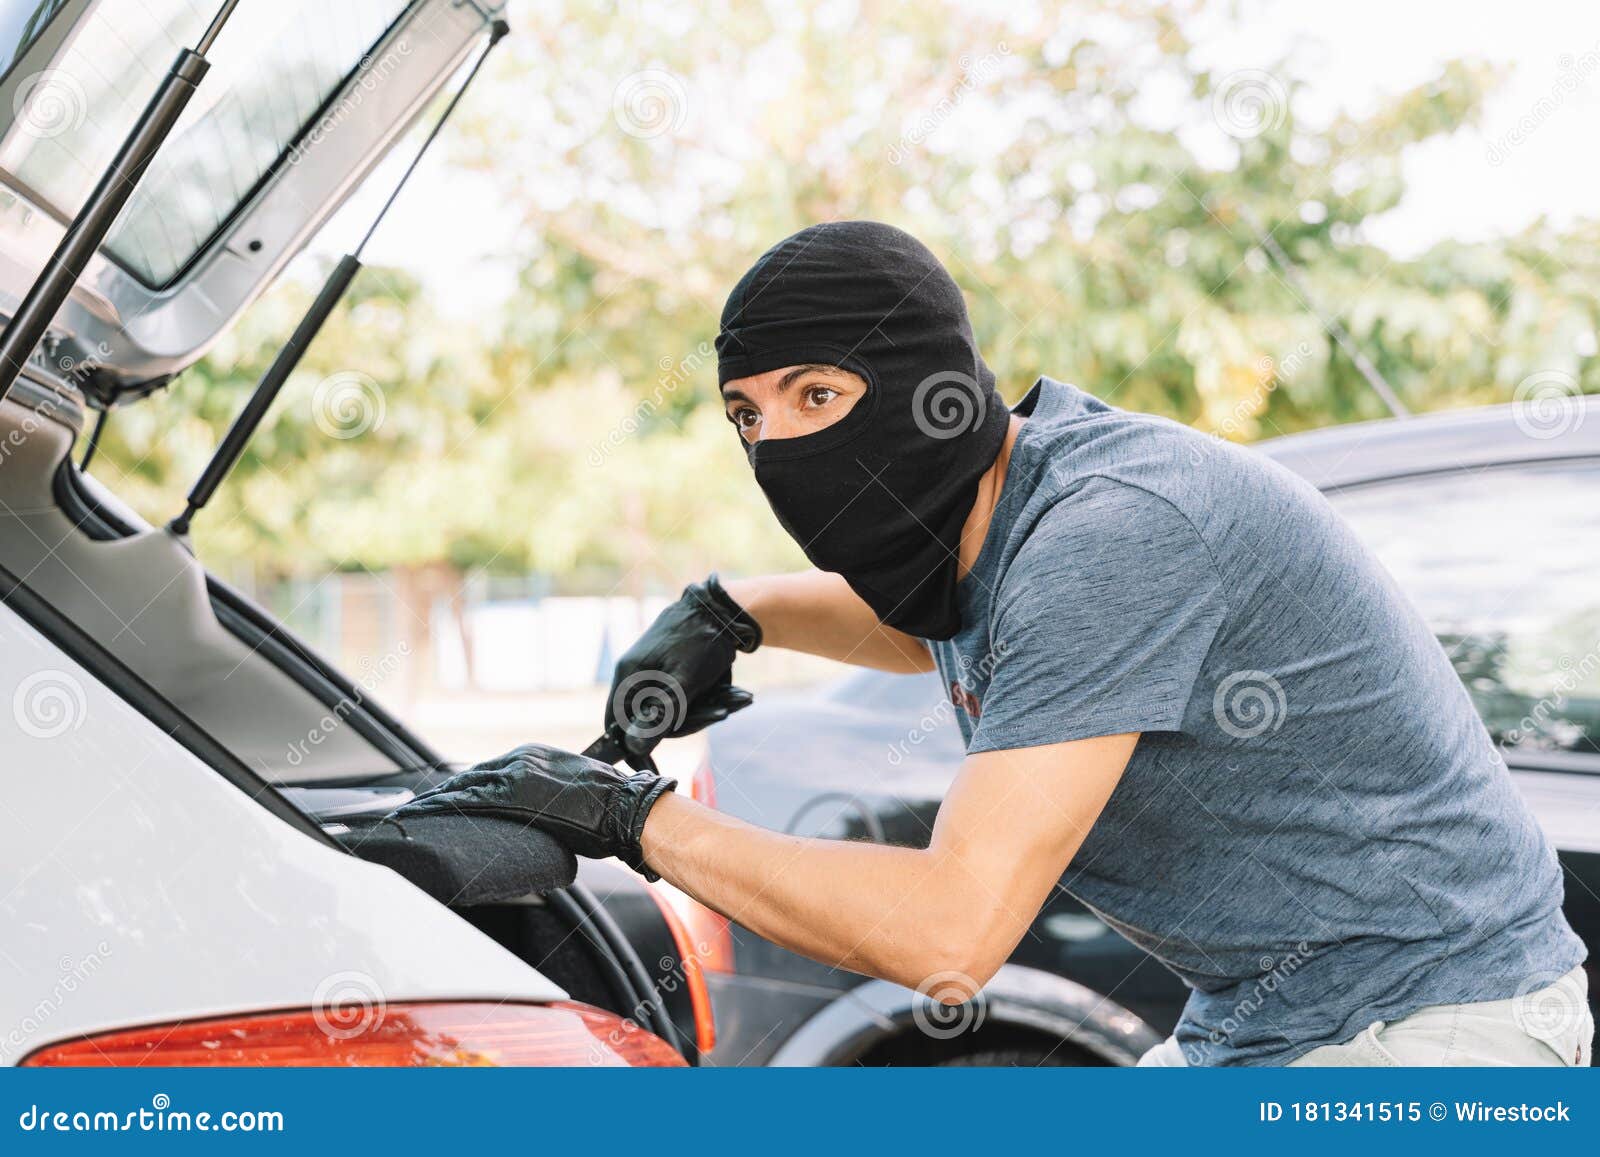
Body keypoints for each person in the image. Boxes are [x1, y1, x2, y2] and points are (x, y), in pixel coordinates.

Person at [396, 221, 1590, 1067]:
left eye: (819, 394)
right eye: (747, 413)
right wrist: (732, 611)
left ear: (927, 384)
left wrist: (627, 819)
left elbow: (948, 932)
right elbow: (951, 626)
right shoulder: (1022, 501)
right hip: (1268, 1026)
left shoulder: (1114, 533)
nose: (777, 445)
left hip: (1429, 1035)